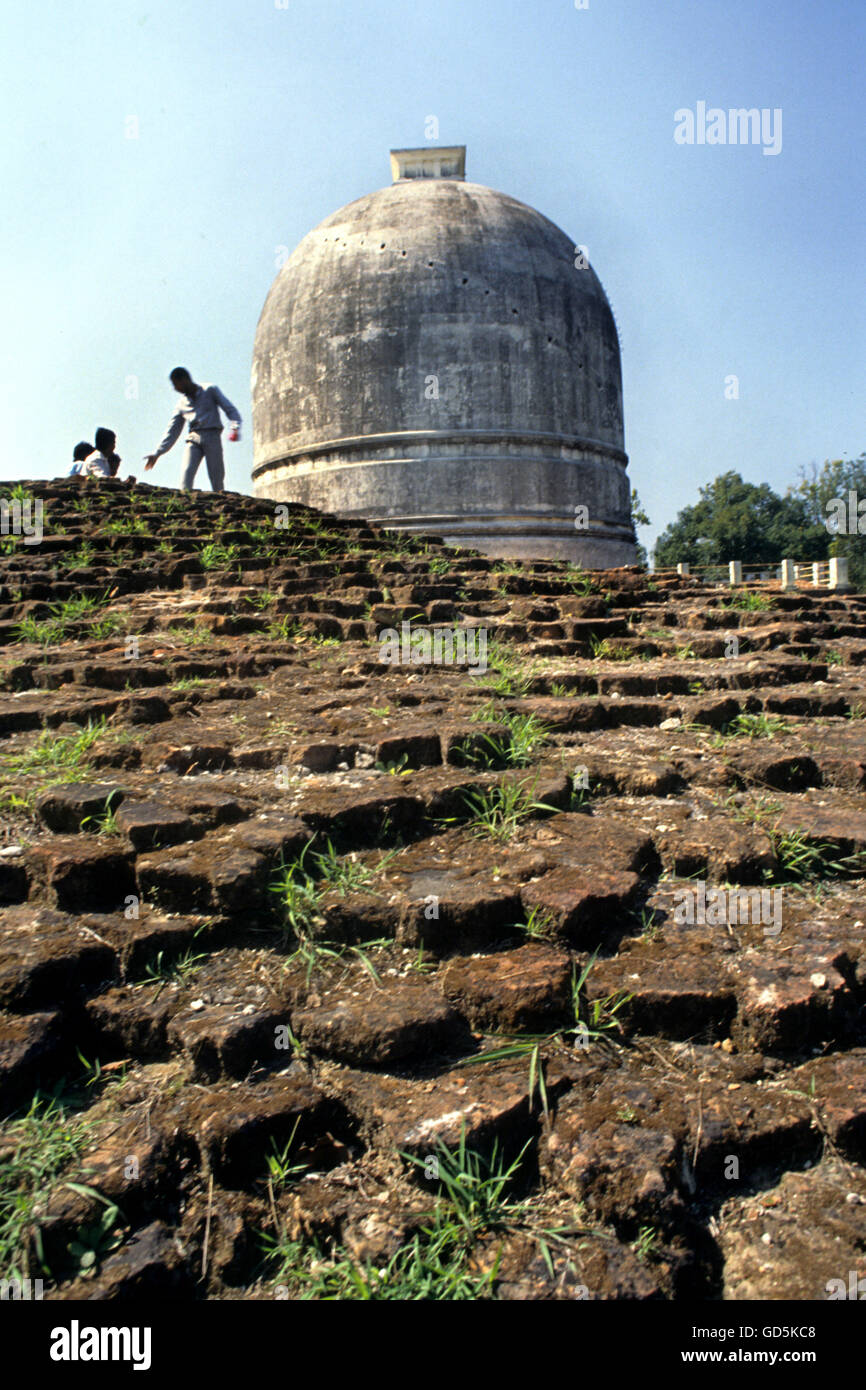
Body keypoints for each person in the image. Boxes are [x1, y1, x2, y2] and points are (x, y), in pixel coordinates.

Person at [143, 367, 241, 491]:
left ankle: (222, 505)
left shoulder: (210, 390)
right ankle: (185, 503)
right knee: (186, 474)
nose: (175, 389)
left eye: (175, 384)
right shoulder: (181, 404)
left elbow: (229, 409)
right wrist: (157, 453)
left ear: (184, 380)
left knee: (216, 477)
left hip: (212, 435)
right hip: (193, 437)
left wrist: (235, 428)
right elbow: (172, 430)